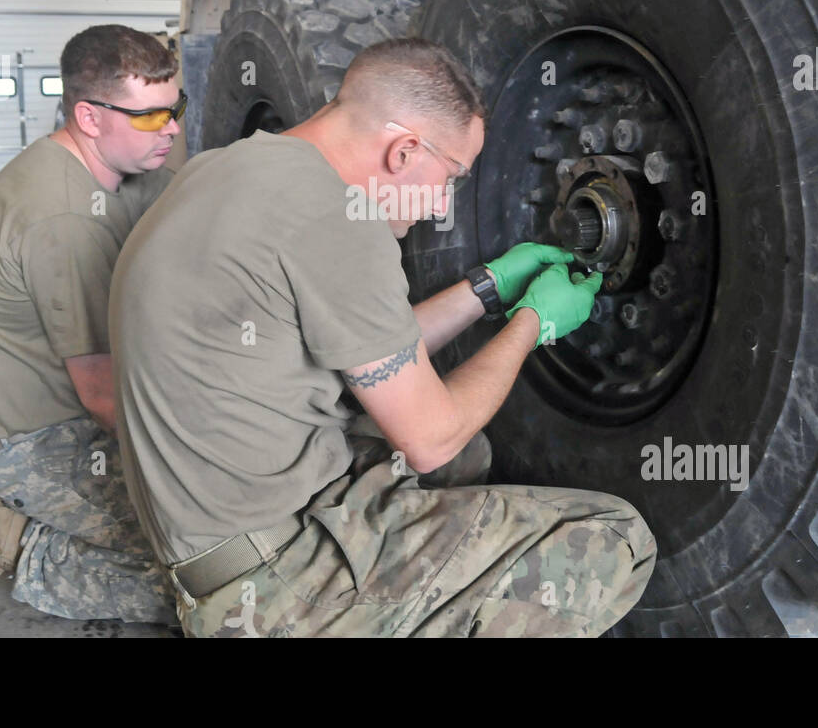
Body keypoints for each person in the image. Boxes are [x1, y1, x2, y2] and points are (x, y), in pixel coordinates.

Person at [111, 37, 655, 637]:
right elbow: (433, 439)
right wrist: (534, 322)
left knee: (469, 459)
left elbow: (367, 350)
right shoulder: (338, 220)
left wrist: (489, 289)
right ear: (403, 152)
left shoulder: (225, 170)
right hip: (274, 585)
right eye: (451, 177)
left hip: (208, 547)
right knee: (615, 538)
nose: (442, 204)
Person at [0, 24, 186, 629]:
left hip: (77, 404)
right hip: (37, 436)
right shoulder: (62, 218)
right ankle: (10, 535)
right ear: (90, 116)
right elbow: (101, 395)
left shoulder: (124, 171)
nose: (173, 128)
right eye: (152, 116)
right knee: (203, 572)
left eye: (176, 108)